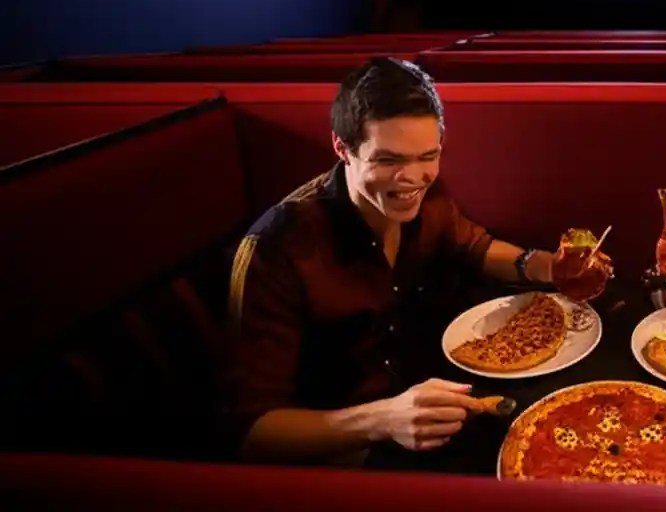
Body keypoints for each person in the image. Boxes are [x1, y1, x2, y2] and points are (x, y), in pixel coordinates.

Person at [223, 57, 610, 464]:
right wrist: (383, 420)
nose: (413, 177)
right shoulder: (279, 245)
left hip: (435, 400)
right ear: (342, 147)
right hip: (347, 453)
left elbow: (473, 246)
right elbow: (251, 431)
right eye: (389, 160)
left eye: (428, 155)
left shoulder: (425, 193)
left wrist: (549, 267)